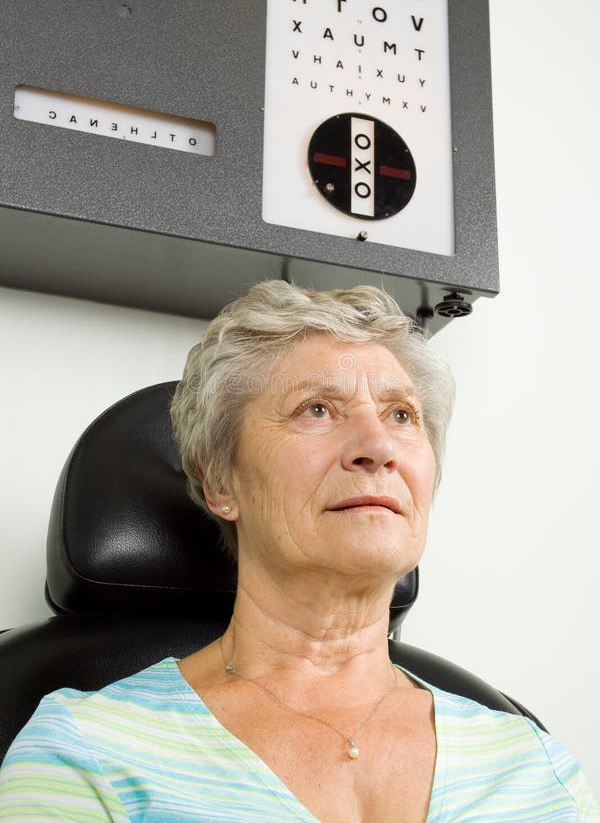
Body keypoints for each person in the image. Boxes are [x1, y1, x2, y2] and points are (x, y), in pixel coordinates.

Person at [0, 279, 598, 821]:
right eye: (317, 409)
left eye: (401, 414)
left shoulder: (532, 761)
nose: (377, 446)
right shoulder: (86, 753)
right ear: (220, 483)